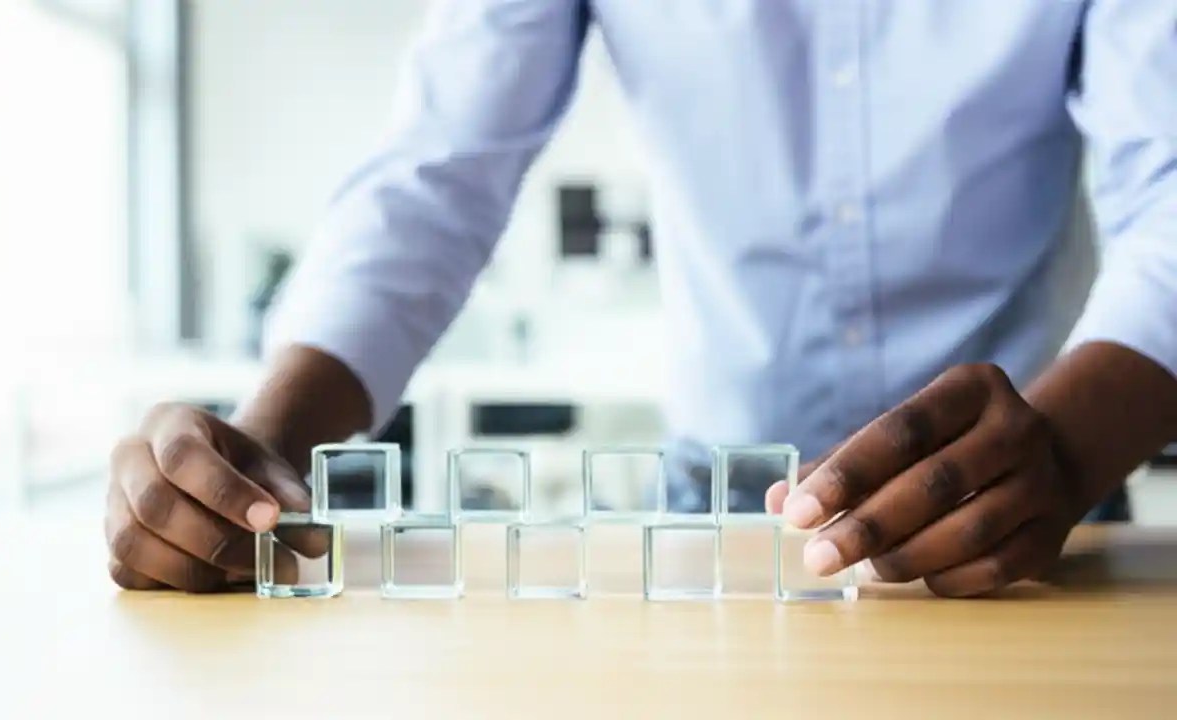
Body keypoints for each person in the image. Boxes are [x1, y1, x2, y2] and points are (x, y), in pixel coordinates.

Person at [105, 1, 1177, 596]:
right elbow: (439, 172)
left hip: (1035, 499)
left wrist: (1065, 449)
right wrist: (261, 452)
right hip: (705, 512)